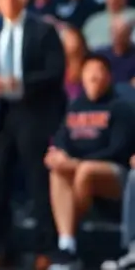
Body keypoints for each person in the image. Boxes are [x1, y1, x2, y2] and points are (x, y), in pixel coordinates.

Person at [0, 0, 66, 270]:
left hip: (35, 113)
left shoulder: (44, 30)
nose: (10, 0)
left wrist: (22, 83)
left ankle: (46, 249)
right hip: (4, 114)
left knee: (38, 181)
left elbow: (56, 72)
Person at [45, 55, 135, 268]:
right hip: (80, 173)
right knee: (57, 171)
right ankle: (67, 246)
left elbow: (118, 150)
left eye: (99, 71)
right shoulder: (75, 106)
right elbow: (61, 140)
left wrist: (75, 163)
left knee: (85, 170)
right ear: (82, 77)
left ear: (109, 77)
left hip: (116, 176)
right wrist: (57, 155)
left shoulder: (121, 107)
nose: (94, 76)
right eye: (89, 72)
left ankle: (69, 225)